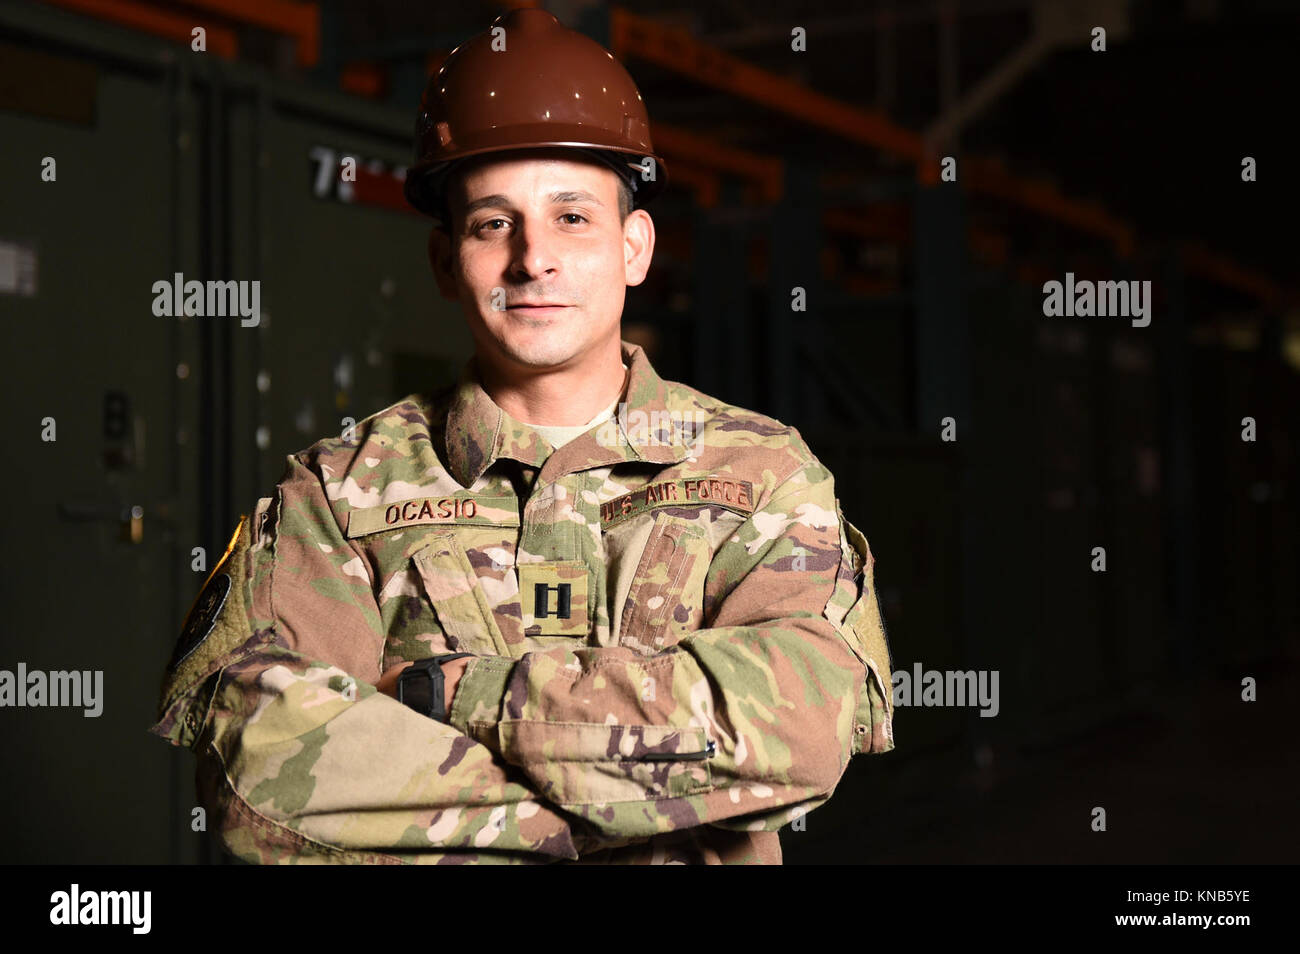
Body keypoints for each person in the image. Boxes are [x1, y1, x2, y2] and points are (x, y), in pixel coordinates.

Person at [149, 7, 894, 865]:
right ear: (444, 262)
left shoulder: (758, 471)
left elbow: (801, 722)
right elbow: (257, 766)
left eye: (572, 217)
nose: (532, 257)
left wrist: (454, 696)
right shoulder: (340, 494)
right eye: (492, 222)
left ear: (634, 247)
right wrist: (590, 825)